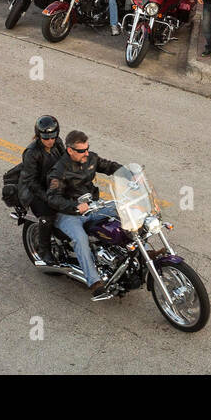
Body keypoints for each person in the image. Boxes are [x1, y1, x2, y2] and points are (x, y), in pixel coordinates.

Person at [45, 131, 123, 298]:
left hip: (92, 206)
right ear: (70, 150)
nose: (86, 153)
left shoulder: (90, 158)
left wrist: (129, 174)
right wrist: (75, 207)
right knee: (81, 239)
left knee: (122, 210)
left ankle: (140, 251)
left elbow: (108, 166)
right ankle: (94, 282)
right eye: (81, 150)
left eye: (87, 148)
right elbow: (52, 198)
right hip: (68, 214)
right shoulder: (58, 171)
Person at [17, 116, 66, 264]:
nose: (50, 140)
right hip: (33, 190)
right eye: (46, 138)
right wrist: (47, 197)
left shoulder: (58, 143)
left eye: (53, 136)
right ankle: (44, 250)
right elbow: (30, 181)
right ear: (39, 136)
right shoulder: (31, 153)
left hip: (51, 183)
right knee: (48, 213)